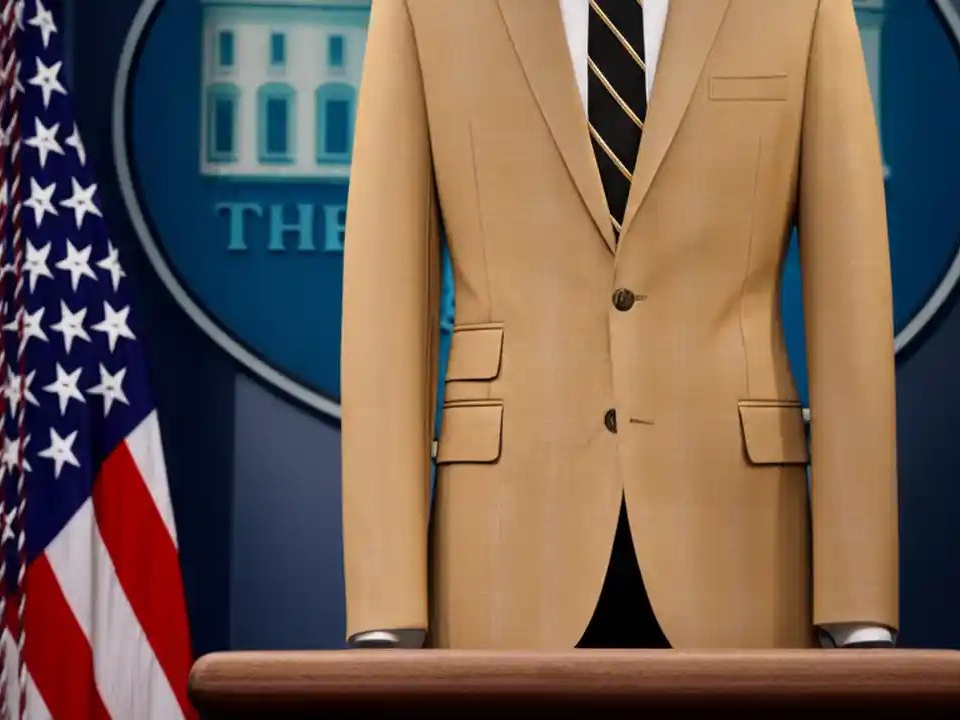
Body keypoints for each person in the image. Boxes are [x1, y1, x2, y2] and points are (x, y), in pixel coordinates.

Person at [341, 0, 898, 651]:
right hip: (504, 547)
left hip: (739, 545)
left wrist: (858, 604)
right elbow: (385, 300)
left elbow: (849, 300)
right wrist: (386, 606)